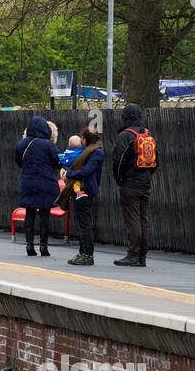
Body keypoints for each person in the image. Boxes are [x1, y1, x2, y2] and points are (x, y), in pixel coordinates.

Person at [112, 103, 158, 266]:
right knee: (142, 219)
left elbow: (119, 161)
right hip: (145, 183)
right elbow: (155, 161)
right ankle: (142, 256)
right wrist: (147, 175)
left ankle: (133, 254)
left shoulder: (125, 136)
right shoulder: (148, 134)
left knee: (132, 220)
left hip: (130, 184)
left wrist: (119, 179)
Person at [15, 116, 61, 256]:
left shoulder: (22, 144)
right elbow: (57, 163)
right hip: (46, 183)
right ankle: (43, 246)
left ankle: (29, 245)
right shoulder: (49, 145)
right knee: (44, 215)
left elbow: (19, 162)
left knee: (29, 213)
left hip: (28, 182)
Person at [61, 128, 104, 265]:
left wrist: (69, 174)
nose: (81, 140)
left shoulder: (95, 152)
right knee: (80, 223)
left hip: (86, 191)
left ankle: (87, 255)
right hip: (81, 190)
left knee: (84, 224)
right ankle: (82, 252)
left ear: (87, 139)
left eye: (82, 138)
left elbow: (86, 172)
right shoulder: (90, 151)